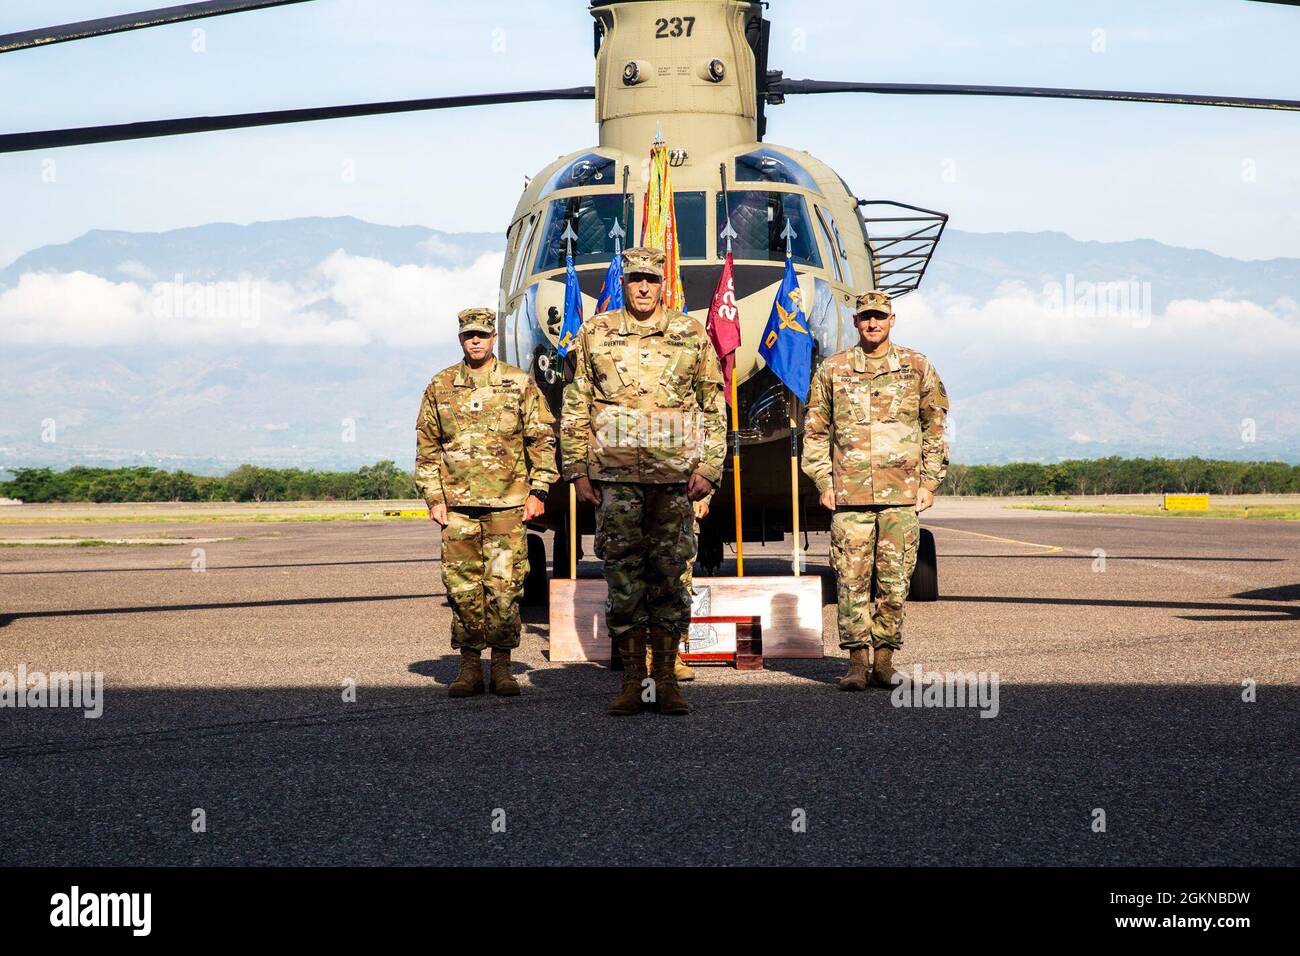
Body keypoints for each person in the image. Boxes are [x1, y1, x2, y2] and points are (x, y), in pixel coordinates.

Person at [561, 247, 727, 716]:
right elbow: (576, 406)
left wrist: (709, 469)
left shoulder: (690, 333)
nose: (642, 288)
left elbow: (713, 408)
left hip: (674, 479)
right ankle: (634, 681)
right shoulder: (597, 333)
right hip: (615, 479)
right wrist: (576, 471)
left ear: (662, 284)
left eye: (651, 281)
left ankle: (668, 678)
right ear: (624, 283)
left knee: (671, 577)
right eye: (635, 280)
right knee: (622, 576)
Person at [801, 289, 949, 690]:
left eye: (879, 317)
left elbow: (934, 427)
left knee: (894, 581)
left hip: (900, 494)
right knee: (850, 579)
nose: (872, 323)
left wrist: (930, 481)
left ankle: (884, 661)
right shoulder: (834, 370)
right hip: (849, 496)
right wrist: (822, 480)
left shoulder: (917, 367)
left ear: (892, 320)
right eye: (866, 317)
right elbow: (814, 431)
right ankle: (855, 662)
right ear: (856, 322)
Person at [415, 307, 558, 698]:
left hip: (508, 506)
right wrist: (433, 498)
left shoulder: (518, 383)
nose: (475, 341)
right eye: (468, 335)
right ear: (460, 339)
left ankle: (503, 665)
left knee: (505, 587)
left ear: (493, 338)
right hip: (458, 508)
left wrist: (539, 490)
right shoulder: (440, 385)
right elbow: (427, 449)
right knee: (462, 589)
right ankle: (468, 667)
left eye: (482, 334)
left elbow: (542, 438)